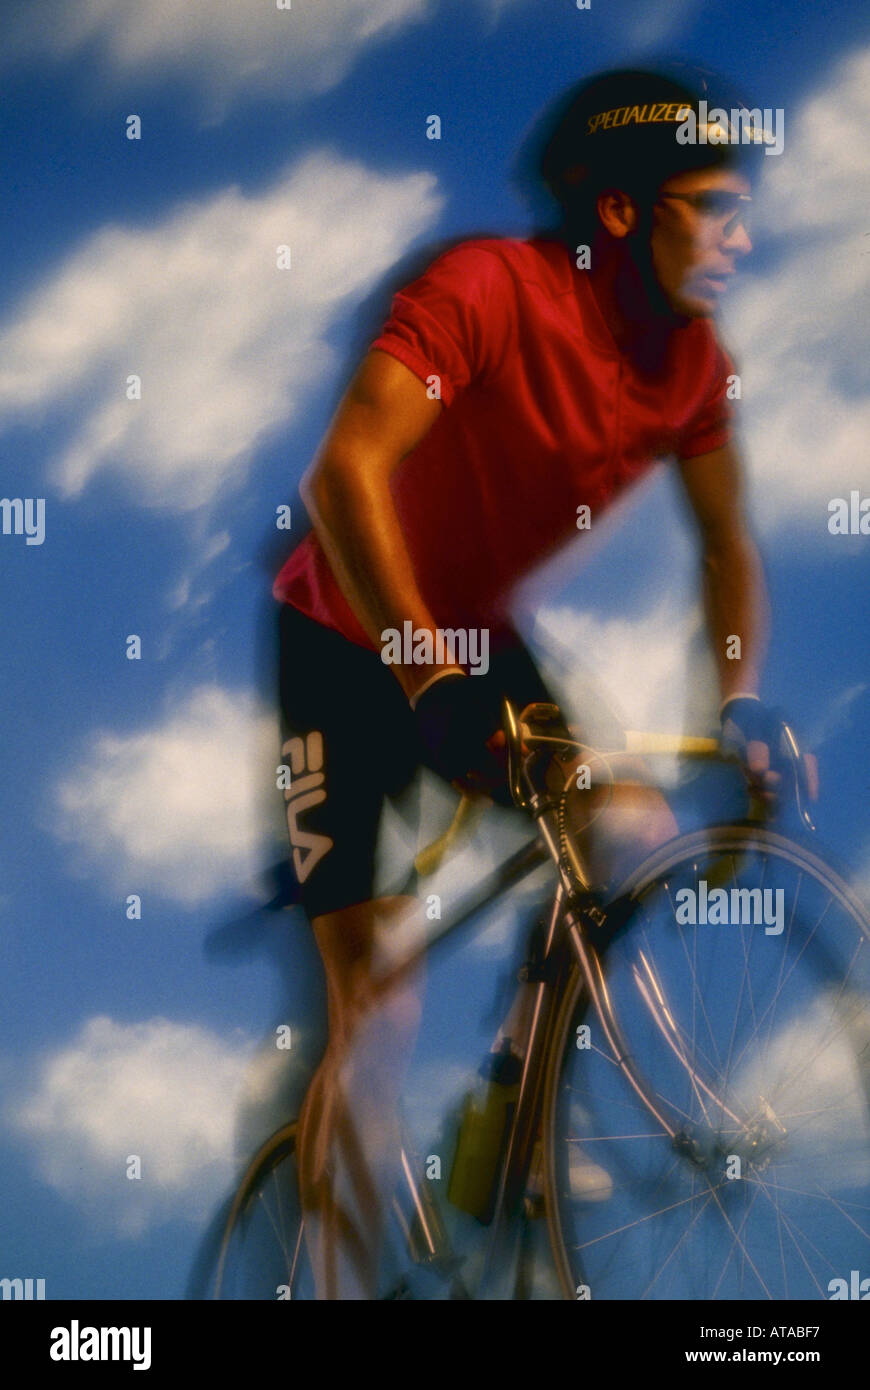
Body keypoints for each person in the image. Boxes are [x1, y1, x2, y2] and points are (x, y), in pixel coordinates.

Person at [273, 64, 799, 1298]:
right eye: (710, 205)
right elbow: (343, 476)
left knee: (626, 827)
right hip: (342, 638)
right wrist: (418, 675)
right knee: (378, 1007)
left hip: (477, 636)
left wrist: (741, 702)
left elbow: (728, 545)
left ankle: (514, 1108)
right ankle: (337, 1276)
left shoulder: (689, 360)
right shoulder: (484, 292)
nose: (743, 234)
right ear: (619, 212)